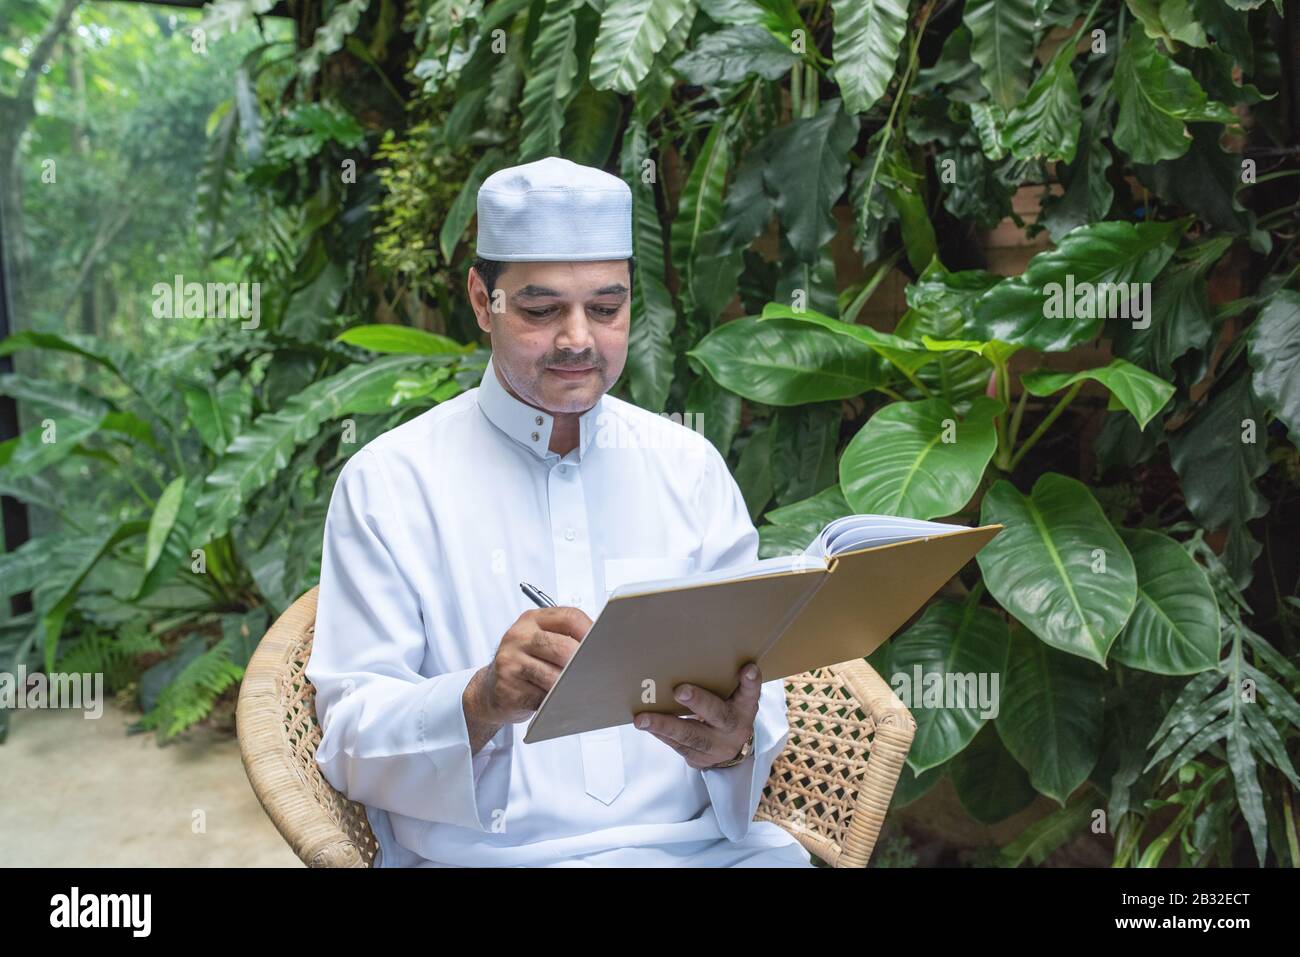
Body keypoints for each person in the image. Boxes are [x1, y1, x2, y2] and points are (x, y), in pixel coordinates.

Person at [305, 156, 814, 867]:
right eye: (543, 310)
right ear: (484, 301)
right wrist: (480, 698)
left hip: (699, 852)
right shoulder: (390, 484)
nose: (578, 338)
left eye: (606, 308)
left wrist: (732, 741)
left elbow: (764, 687)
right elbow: (348, 737)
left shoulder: (688, 467)